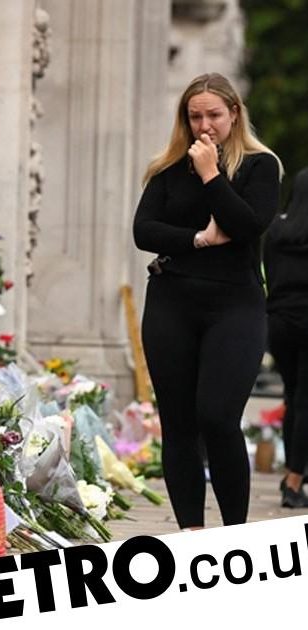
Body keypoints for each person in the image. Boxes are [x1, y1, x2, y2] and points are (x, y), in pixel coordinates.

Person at [133, 72, 283, 530]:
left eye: (214, 115)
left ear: (234, 114)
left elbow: (246, 225)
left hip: (234, 306)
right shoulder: (167, 168)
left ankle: (234, 534)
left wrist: (211, 174)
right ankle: (191, 534)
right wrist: (198, 239)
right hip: (171, 302)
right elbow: (145, 231)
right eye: (195, 116)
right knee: (177, 424)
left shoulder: (259, 166)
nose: (205, 125)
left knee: (217, 416)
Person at [264, 167, 308, 508]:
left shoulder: (276, 229)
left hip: (278, 323)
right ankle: (294, 480)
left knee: (294, 398)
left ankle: (293, 476)